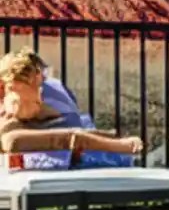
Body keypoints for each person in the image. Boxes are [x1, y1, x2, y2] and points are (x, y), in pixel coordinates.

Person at [0, 49, 142, 157]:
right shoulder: (12, 135)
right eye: (34, 84)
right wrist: (122, 145)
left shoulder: (51, 99)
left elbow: (74, 133)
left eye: (40, 83)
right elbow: (70, 138)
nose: (40, 93)